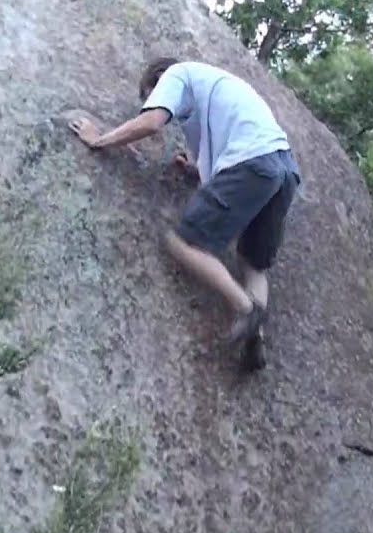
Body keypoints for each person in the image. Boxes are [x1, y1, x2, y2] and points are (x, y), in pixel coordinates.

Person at [66, 57, 302, 371]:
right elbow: (224, 157)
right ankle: (253, 340)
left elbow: (151, 122)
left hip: (253, 163)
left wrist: (99, 140)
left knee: (183, 242)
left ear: (159, 81)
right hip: (283, 168)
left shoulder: (178, 74)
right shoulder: (214, 91)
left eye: (153, 96)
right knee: (253, 263)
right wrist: (193, 169)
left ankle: (248, 311)